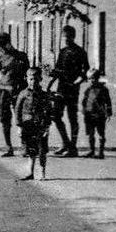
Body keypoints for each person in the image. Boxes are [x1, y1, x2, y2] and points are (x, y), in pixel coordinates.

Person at [48, 25, 90, 157]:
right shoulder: (62, 52)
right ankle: (66, 143)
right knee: (55, 116)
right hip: (61, 88)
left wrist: (77, 82)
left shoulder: (81, 52)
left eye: (68, 37)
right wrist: (51, 81)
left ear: (73, 37)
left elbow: (85, 72)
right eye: (64, 37)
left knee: (72, 117)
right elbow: (58, 70)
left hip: (72, 89)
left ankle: (73, 148)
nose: (66, 39)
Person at [0, 32, 29, 157]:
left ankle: (25, 147)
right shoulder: (0, 57)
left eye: (2, 44)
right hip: (4, 92)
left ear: (8, 43)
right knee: (4, 120)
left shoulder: (22, 56)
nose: (1, 47)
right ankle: (9, 147)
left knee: (22, 119)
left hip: (19, 91)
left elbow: (28, 75)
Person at [14, 67, 54, 180]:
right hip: (28, 125)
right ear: (27, 79)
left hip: (40, 125)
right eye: (31, 79)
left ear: (40, 79)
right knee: (31, 150)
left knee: (42, 150)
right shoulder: (23, 94)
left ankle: (42, 172)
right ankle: (30, 172)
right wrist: (19, 126)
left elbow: (49, 111)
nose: (33, 82)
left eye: (36, 79)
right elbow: (17, 111)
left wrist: (47, 126)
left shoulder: (44, 95)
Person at [81, 69, 112, 159]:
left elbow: (108, 101)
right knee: (90, 133)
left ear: (98, 78)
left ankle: (101, 152)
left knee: (101, 133)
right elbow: (85, 100)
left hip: (99, 114)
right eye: (90, 79)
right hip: (89, 114)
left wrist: (109, 113)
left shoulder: (103, 89)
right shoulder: (88, 89)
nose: (92, 81)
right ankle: (91, 150)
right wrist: (84, 109)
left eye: (93, 78)